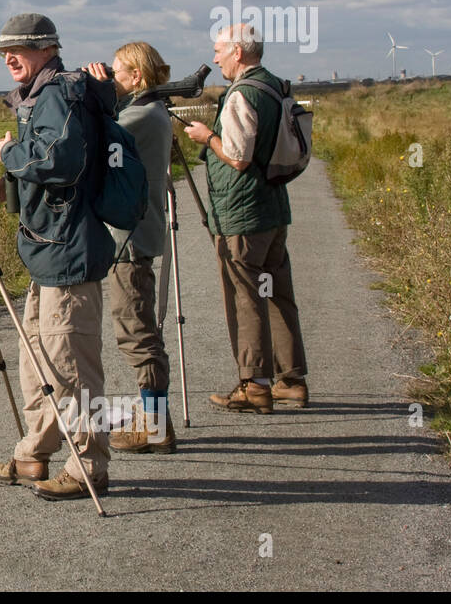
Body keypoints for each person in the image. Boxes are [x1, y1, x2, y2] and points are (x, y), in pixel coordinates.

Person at [0, 12, 118, 500]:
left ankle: (89, 468)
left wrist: (8, 154)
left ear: (47, 49)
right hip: (48, 249)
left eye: (18, 50)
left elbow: (57, 159)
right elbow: (51, 165)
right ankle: (33, 453)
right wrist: (15, 181)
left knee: (73, 369)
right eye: (4, 53)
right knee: (37, 358)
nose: (9, 59)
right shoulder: (40, 95)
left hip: (67, 251)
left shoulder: (58, 92)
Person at [183, 23, 309, 412]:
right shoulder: (274, 85)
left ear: (238, 52)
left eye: (219, 50)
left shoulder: (241, 95)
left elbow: (237, 157)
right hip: (272, 209)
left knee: (246, 296)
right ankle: (291, 379)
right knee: (276, 293)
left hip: (242, 215)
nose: (216, 56)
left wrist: (207, 138)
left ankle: (254, 385)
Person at [84, 42, 177, 452]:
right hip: (137, 233)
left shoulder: (139, 115)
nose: (112, 76)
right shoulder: (152, 110)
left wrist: (100, 97)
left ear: (136, 76)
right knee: (138, 327)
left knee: (137, 332)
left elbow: (99, 142)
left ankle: (155, 426)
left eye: (117, 72)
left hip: (131, 241)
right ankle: (152, 420)